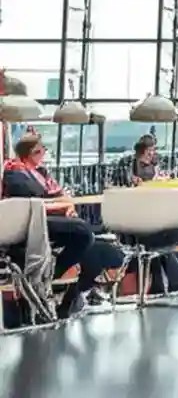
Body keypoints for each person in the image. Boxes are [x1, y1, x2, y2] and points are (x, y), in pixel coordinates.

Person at [2, 134, 125, 318]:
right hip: (31, 223)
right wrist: (60, 202)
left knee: (93, 245)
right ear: (28, 153)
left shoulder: (39, 173)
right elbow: (35, 199)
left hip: (44, 220)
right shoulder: (16, 172)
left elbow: (49, 195)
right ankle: (56, 284)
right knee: (85, 235)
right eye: (39, 151)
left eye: (43, 150)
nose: (43, 154)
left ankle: (66, 296)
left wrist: (61, 202)